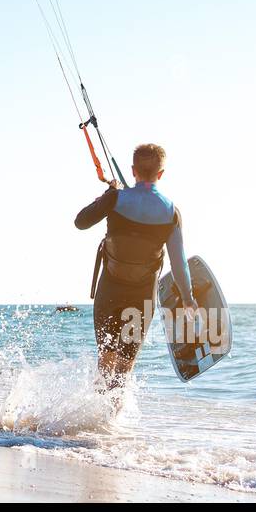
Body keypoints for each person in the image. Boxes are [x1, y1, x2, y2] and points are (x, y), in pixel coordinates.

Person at [75, 143, 196, 389]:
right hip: (141, 301)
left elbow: (81, 222)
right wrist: (187, 297)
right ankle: (111, 425)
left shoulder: (116, 198)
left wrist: (108, 197)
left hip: (109, 291)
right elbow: (178, 262)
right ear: (160, 174)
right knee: (123, 371)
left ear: (133, 170)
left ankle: (91, 422)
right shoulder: (171, 212)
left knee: (106, 364)